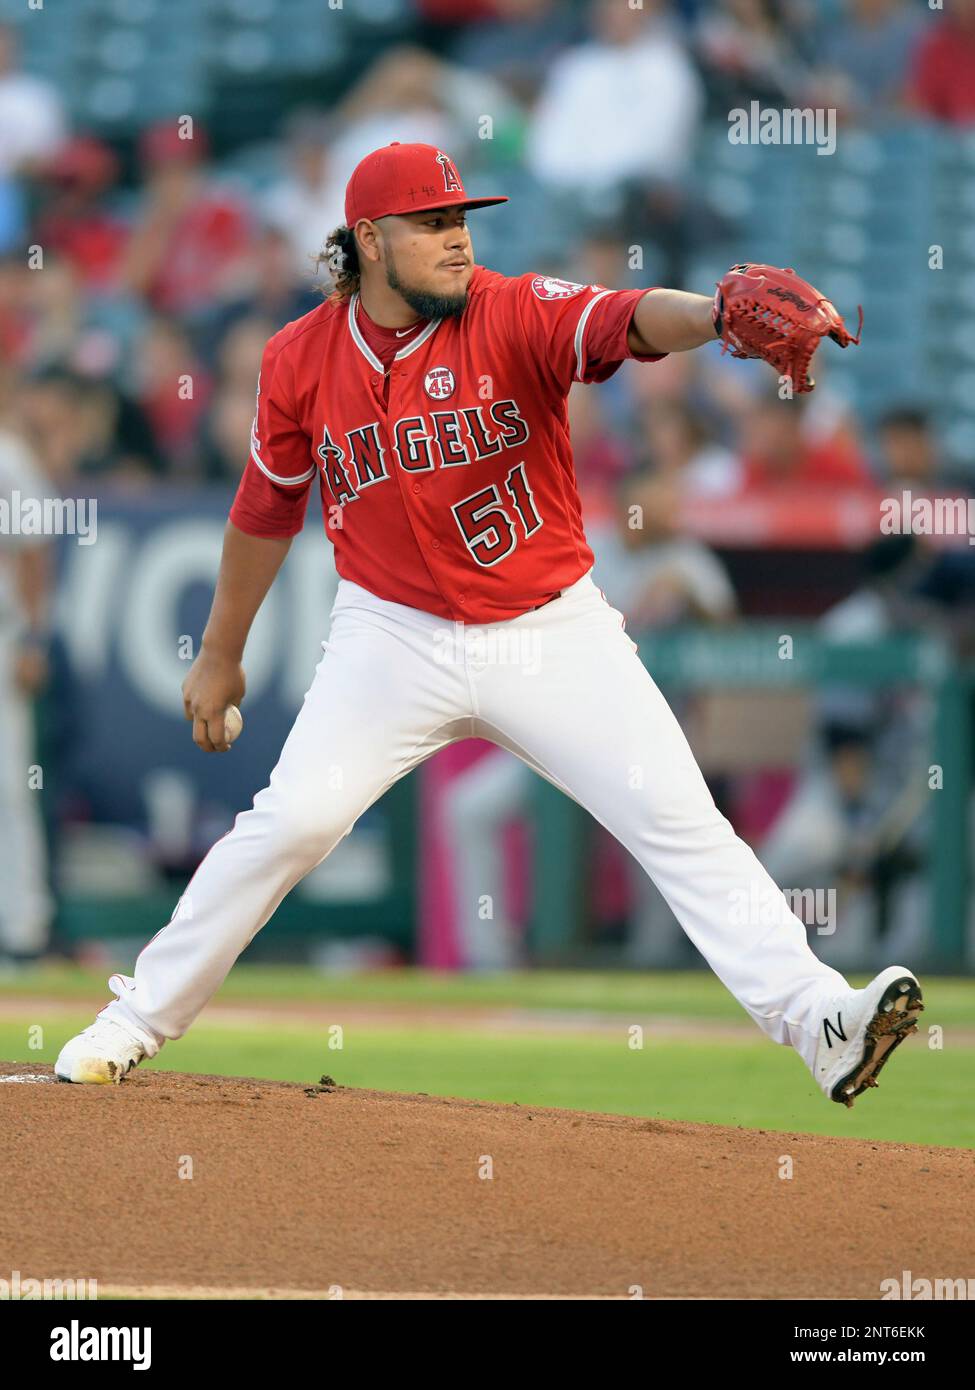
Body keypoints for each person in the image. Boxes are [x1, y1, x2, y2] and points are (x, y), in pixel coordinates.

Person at [55, 142, 923, 1108]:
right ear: (370, 241)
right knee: (291, 821)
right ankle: (132, 1021)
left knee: (679, 823)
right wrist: (219, 655)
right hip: (389, 634)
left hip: (549, 628)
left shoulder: (509, 309)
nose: (458, 239)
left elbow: (628, 319)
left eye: (463, 219)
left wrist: (714, 315)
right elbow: (265, 508)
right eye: (433, 224)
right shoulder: (296, 357)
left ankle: (821, 1023)